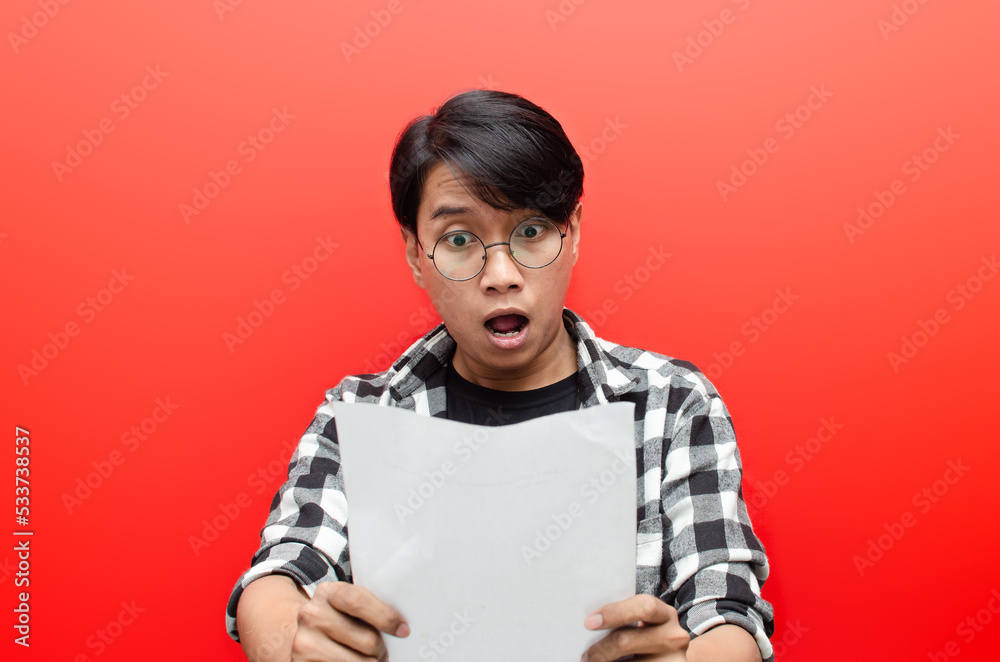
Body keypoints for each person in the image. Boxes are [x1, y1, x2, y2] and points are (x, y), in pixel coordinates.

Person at [226, 89, 775, 662]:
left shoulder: (672, 404)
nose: (501, 274)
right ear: (416, 254)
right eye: (459, 240)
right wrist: (291, 642)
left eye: (532, 231)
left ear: (575, 231)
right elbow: (280, 573)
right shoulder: (362, 416)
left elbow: (726, 610)